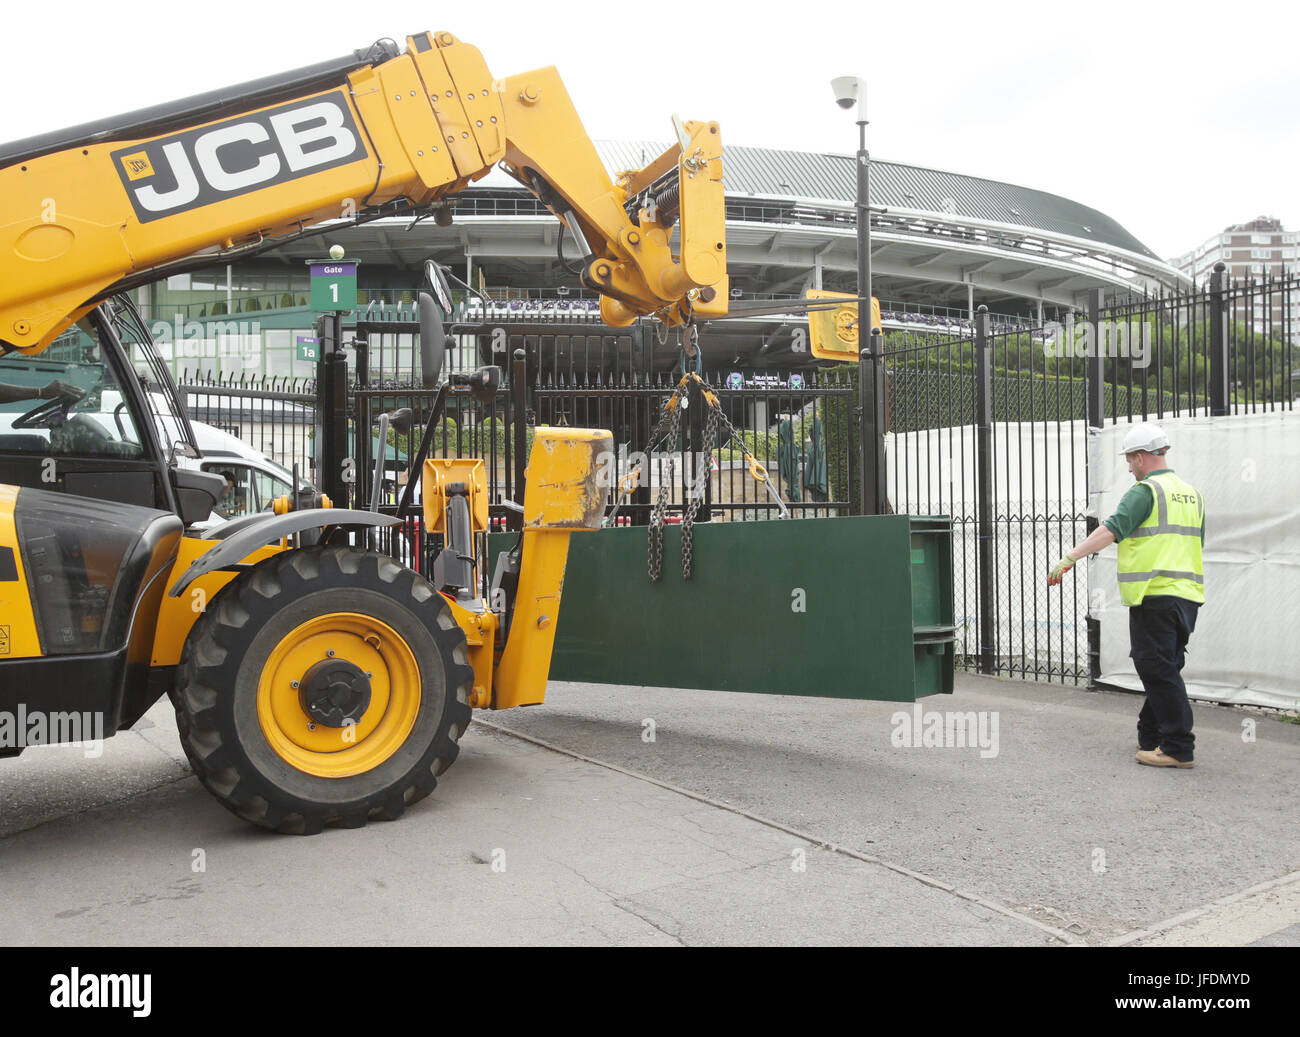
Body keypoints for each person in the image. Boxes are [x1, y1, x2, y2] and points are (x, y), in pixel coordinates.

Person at [1047, 422, 1205, 769]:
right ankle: (1150, 736)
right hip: (1187, 596)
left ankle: (1178, 746)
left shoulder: (1145, 491)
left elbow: (1110, 530)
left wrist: (1071, 556)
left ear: (1142, 456)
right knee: (1165, 666)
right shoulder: (1191, 493)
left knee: (1156, 667)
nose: (1129, 466)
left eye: (1130, 459)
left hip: (1155, 593)